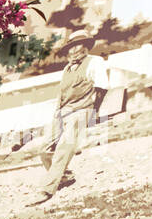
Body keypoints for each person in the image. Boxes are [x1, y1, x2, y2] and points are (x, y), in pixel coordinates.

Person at [32, 30, 107, 203]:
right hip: (63, 111)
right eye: (71, 47)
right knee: (44, 149)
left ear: (86, 46)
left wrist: (94, 114)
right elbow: (62, 93)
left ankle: (47, 190)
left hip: (83, 110)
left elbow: (102, 88)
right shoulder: (67, 68)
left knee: (64, 147)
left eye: (78, 45)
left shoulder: (95, 62)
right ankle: (65, 177)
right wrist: (57, 113)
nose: (74, 50)